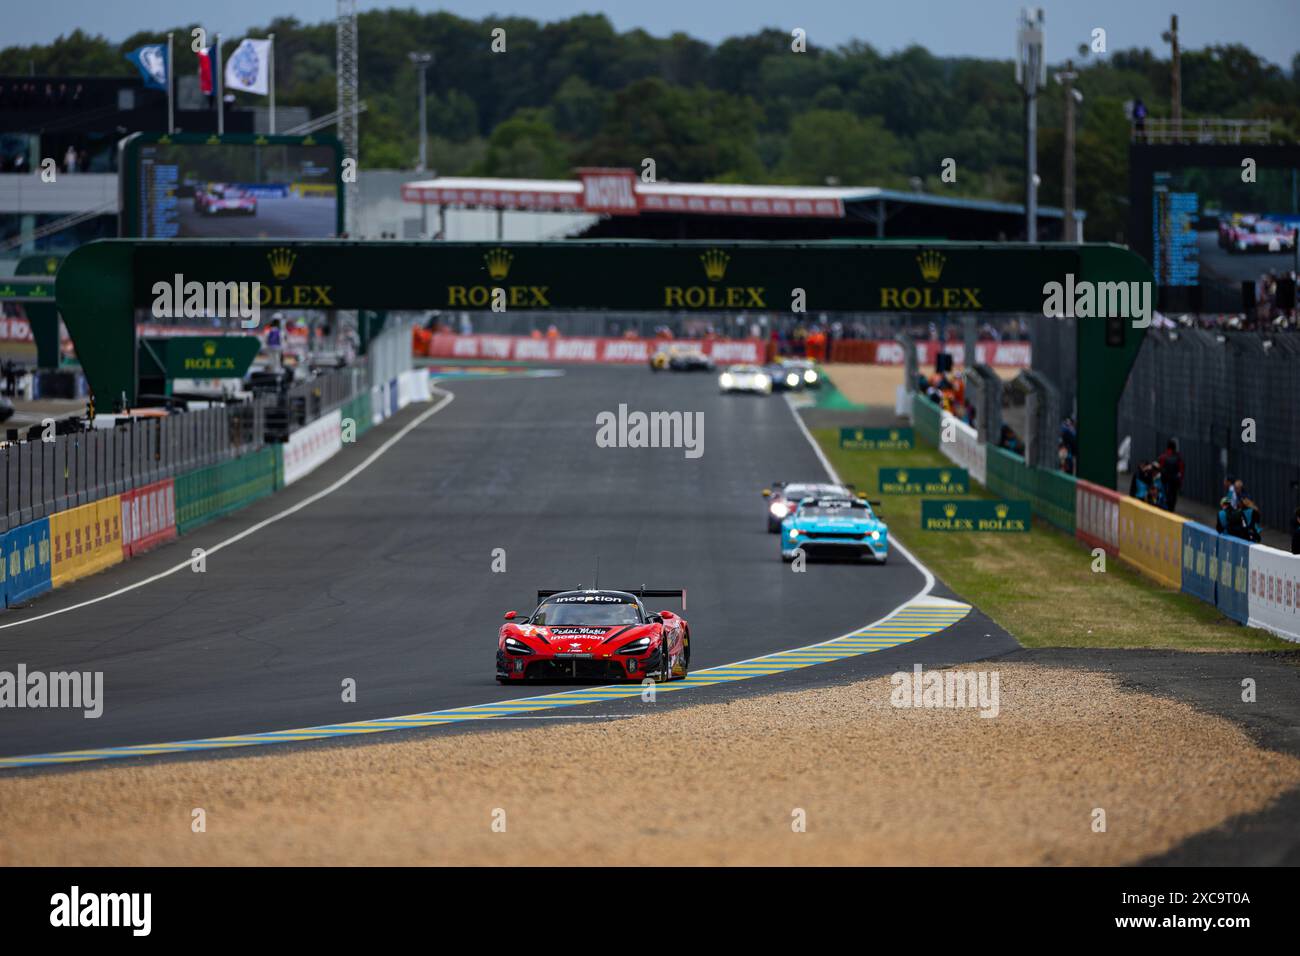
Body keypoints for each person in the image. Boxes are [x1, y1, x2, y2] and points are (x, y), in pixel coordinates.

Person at [1157, 439, 1184, 512]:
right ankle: (1171, 509)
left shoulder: (1163, 457)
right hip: (1174, 481)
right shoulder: (1178, 458)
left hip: (1164, 481)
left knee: (1164, 496)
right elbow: (1181, 471)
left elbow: (1159, 468)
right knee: (1173, 497)